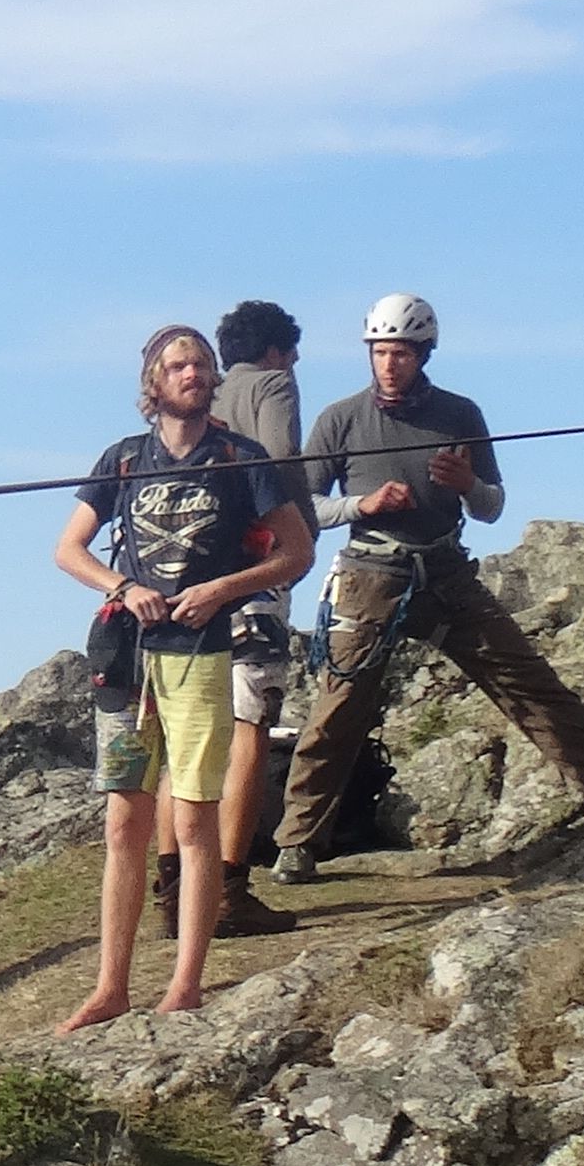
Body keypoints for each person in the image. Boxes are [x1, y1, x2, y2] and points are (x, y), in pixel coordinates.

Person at [270, 294, 584, 882]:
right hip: (371, 575)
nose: (390, 364)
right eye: (381, 352)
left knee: (522, 675)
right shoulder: (342, 418)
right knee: (339, 708)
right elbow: (304, 504)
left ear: (424, 354)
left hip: (447, 570)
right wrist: (365, 503)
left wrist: (465, 484)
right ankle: (297, 842)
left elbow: (492, 505)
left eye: (402, 354)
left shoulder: (461, 414)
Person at [56, 325, 309, 1031]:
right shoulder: (124, 460)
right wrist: (120, 584)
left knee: (194, 816)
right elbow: (68, 549)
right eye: (177, 364)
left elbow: (296, 552)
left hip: (199, 654)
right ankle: (111, 986)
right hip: (129, 658)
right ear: (154, 382)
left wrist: (226, 588)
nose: (192, 372)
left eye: (200, 362)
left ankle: (186, 982)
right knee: (123, 819)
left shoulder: (240, 457)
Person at [201, 301, 311, 930]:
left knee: (190, 732)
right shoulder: (274, 385)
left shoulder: (204, 399)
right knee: (250, 726)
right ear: (274, 352)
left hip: (197, 577)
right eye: (291, 351)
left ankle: (176, 888)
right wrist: (303, 530)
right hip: (257, 573)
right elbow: (278, 457)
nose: (294, 362)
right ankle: (229, 889)